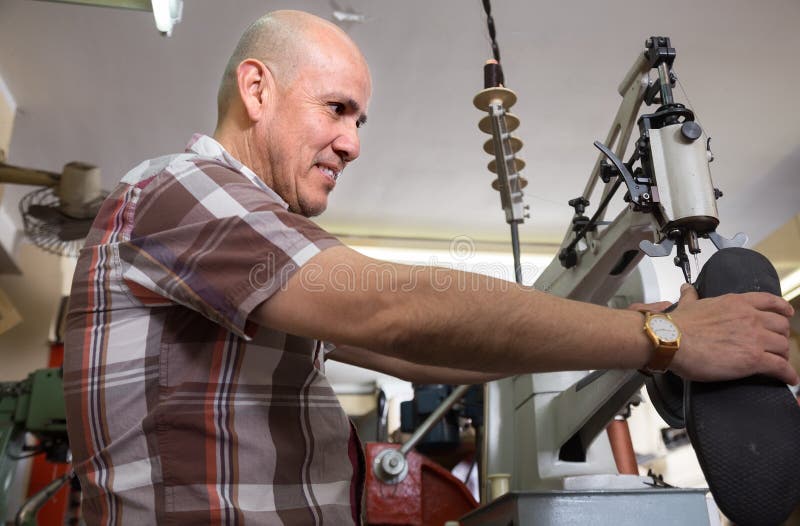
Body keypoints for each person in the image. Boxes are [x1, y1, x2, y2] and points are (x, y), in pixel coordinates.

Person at [62, 9, 797, 526]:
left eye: (359, 121)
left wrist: (624, 334)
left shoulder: (244, 250)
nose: (352, 144)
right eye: (336, 109)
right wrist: (669, 341)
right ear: (257, 89)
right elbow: (395, 309)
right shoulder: (180, 190)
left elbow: (421, 353)